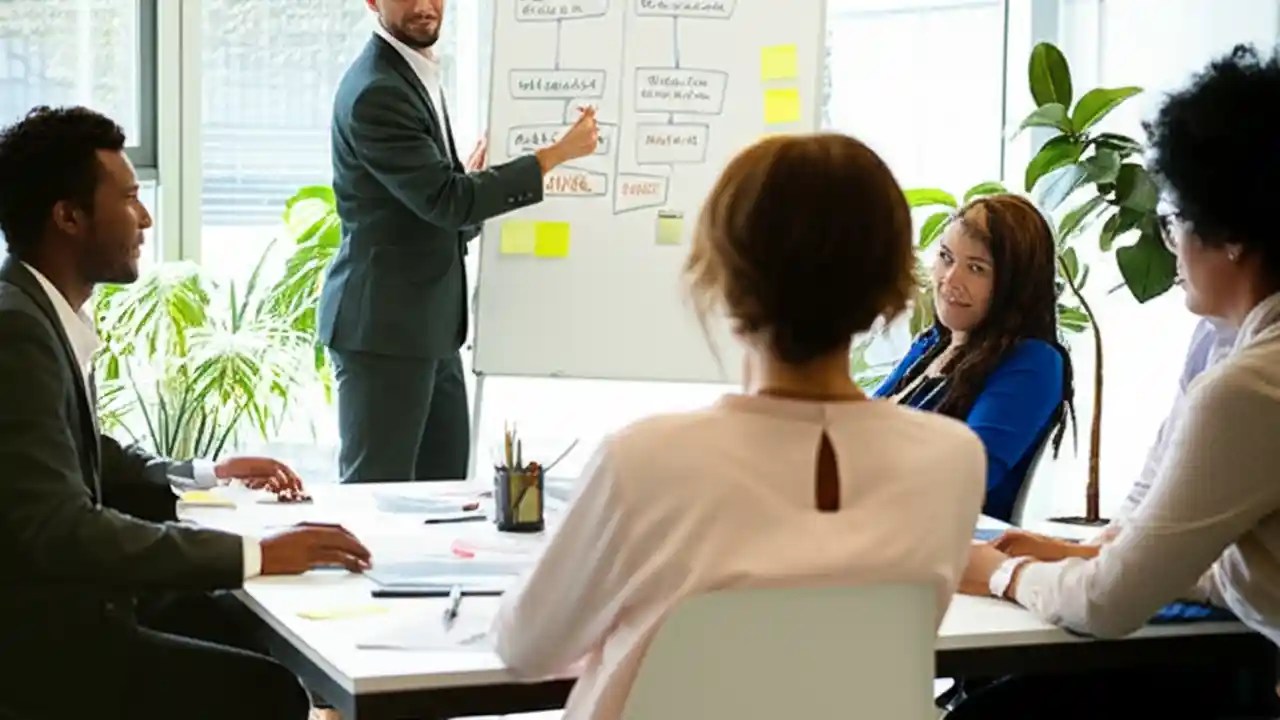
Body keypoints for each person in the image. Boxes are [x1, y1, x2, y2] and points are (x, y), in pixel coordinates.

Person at [490, 133, 987, 720]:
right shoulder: (952, 460)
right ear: (892, 287)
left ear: (723, 276)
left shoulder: (644, 460)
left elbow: (526, 648)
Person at [0, 106, 374, 720]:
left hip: (71, 609)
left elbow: (89, 454)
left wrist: (206, 474)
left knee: (237, 625)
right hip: (42, 647)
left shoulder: (36, 311)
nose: (145, 218)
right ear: (68, 217)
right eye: (129, 199)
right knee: (267, 692)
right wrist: (257, 552)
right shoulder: (17, 331)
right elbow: (62, 528)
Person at [957, 44, 1280, 718]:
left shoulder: (1249, 388)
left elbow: (1109, 604)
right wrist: (1085, 552)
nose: (1169, 243)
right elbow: (1231, 558)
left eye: (1174, 219)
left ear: (1232, 234)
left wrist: (1004, 573)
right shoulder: (1231, 353)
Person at [320, 0, 600, 484]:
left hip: (429, 329)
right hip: (385, 334)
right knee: (376, 496)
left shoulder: (412, 73)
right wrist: (555, 155)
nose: (424, 5)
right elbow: (447, 201)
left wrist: (470, 189)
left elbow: (431, 209)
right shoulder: (377, 91)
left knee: (445, 491)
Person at [873, 194, 1074, 523]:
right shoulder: (932, 345)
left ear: (1015, 285)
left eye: (977, 269)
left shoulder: (1033, 363)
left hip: (936, 542)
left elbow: (963, 478)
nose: (950, 279)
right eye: (946, 257)